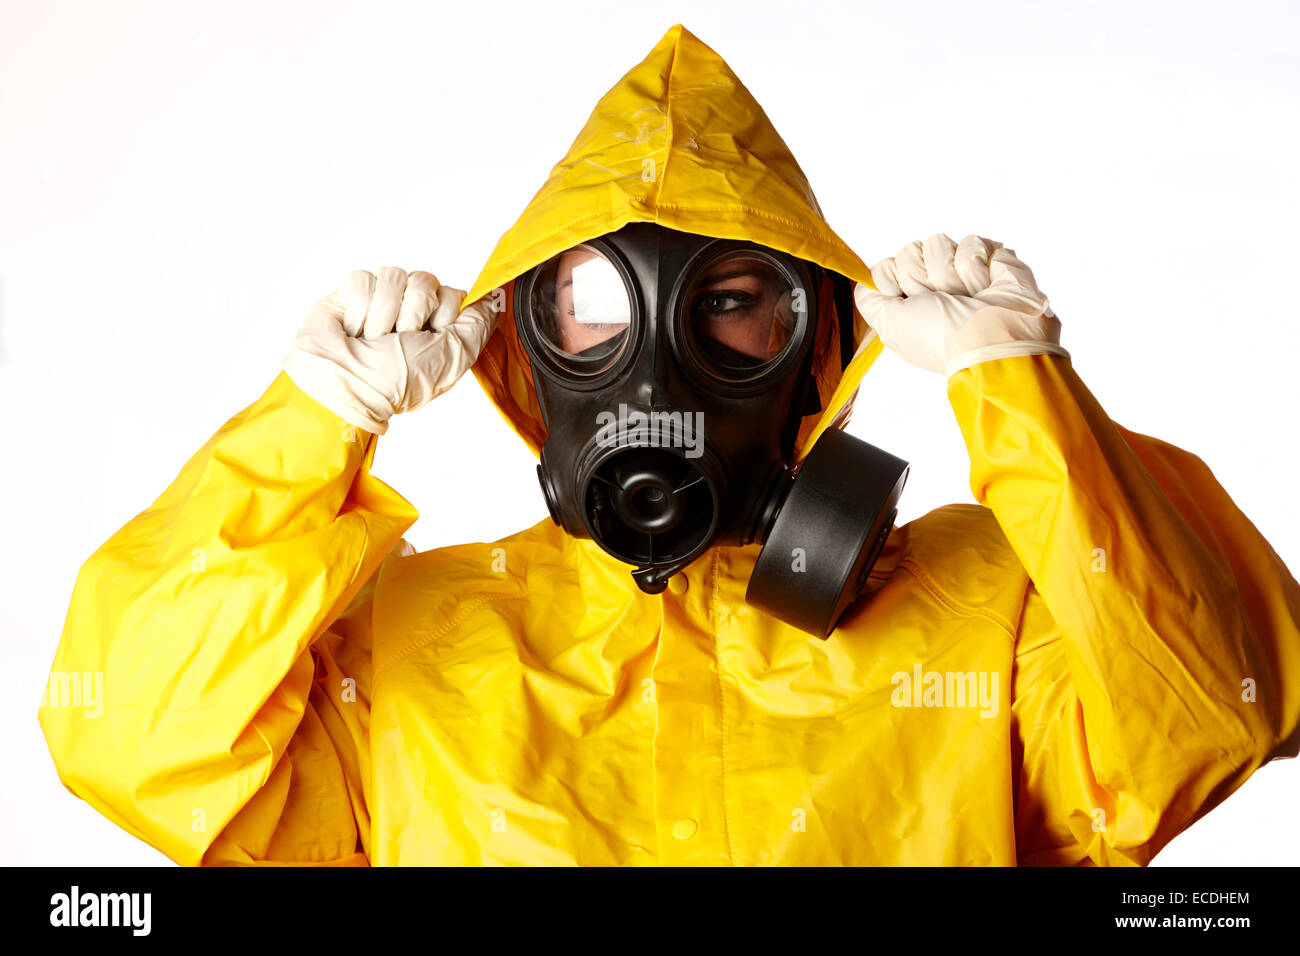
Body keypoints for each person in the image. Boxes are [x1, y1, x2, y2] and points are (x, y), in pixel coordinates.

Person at [39, 24, 1300, 866]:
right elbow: (136, 739)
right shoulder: (409, 646)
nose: (654, 362)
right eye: (592, 309)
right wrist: (314, 416)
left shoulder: (989, 612)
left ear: (819, 348)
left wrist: (1020, 387)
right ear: (522, 348)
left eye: (732, 304)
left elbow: (1220, 705)